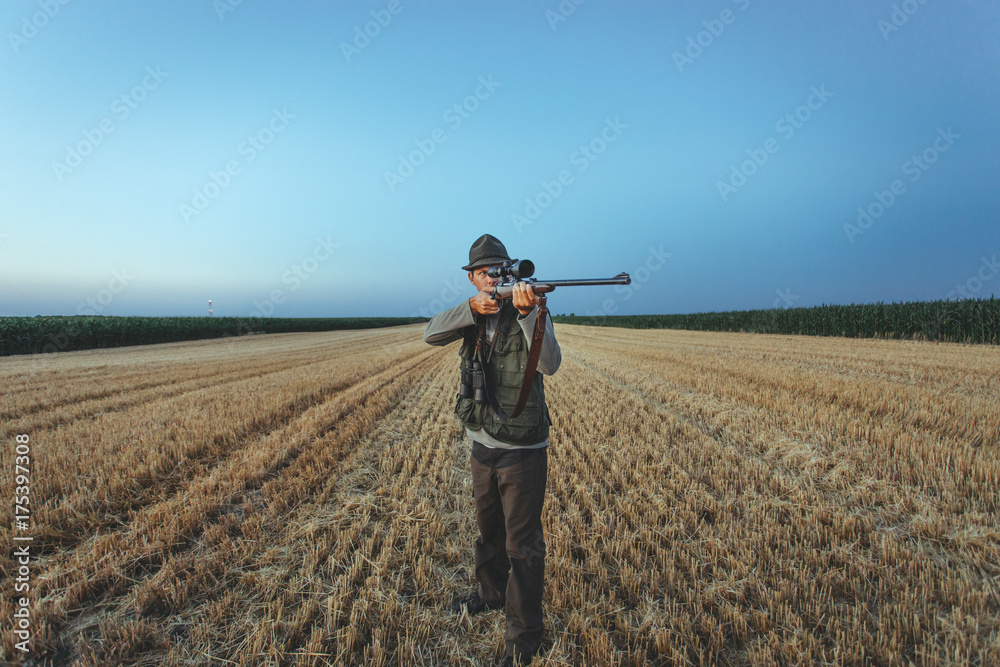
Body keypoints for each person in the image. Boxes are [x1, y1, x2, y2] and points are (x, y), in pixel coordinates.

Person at [423, 234, 561, 667]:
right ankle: (489, 593)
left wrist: (528, 314)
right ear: (473, 278)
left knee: (522, 546)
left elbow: (550, 364)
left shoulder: (530, 310)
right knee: (489, 534)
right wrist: (470, 308)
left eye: (499, 271)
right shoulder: (473, 312)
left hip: (522, 448)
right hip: (481, 442)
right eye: (484, 273)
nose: (493, 279)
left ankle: (523, 638)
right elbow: (429, 334)